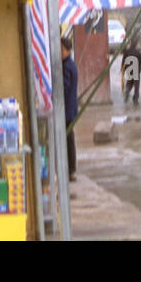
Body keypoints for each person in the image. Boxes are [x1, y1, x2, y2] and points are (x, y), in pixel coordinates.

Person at [61, 35, 78, 183]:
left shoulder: (67, 66)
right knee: (68, 139)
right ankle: (70, 170)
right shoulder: (69, 64)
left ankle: (71, 170)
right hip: (69, 109)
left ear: (68, 50)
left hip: (67, 110)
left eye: (61, 50)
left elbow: (65, 88)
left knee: (68, 139)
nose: (60, 52)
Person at [122, 40, 141, 105]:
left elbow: (123, 60)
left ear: (130, 44)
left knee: (129, 83)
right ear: (136, 44)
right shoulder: (138, 52)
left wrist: (122, 69)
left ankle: (127, 91)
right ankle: (135, 99)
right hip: (136, 70)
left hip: (129, 70)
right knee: (136, 86)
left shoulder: (126, 51)